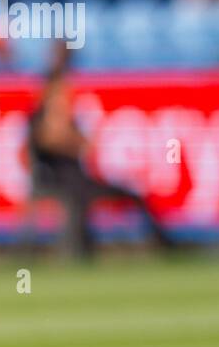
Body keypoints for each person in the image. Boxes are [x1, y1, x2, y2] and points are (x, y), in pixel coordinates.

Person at [25, 60, 174, 259]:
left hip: (80, 181)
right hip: (54, 182)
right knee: (74, 201)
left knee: (133, 194)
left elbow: (88, 145)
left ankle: (163, 246)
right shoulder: (36, 118)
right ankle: (77, 252)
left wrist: (68, 132)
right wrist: (63, 131)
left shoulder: (72, 119)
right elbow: (47, 141)